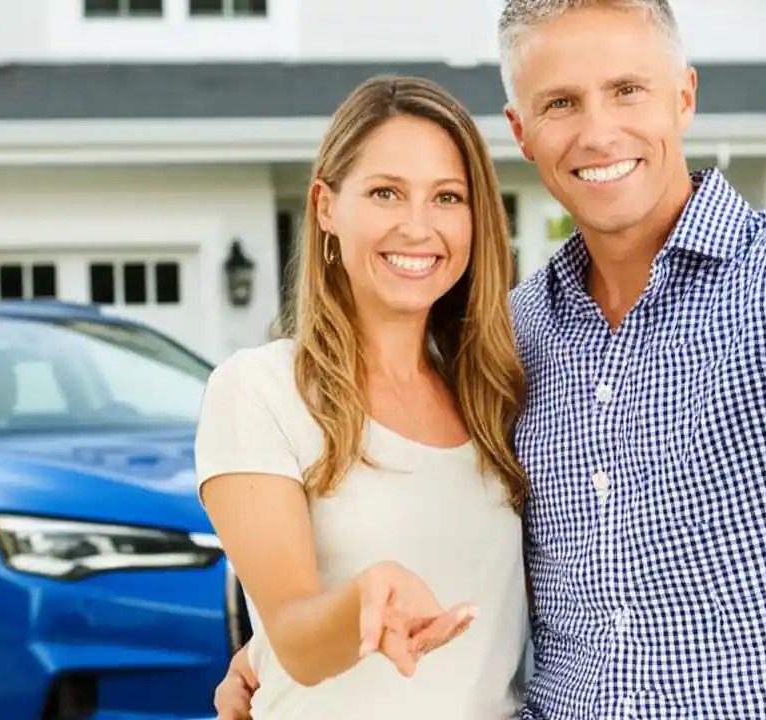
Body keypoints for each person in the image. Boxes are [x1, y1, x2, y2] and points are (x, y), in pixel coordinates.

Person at [213, 1, 766, 718]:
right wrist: (279, 648)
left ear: (683, 98)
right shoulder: (517, 337)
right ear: (522, 131)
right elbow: (487, 554)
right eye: (561, 103)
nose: (598, 132)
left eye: (628, 90)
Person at [195, 75, 532, 719]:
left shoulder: (499, 393)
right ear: (325, 206)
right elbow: (293, 636)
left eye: (447, 197)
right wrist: (364, 602)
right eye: (385, 193)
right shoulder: (260, 389)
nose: (417, 226)